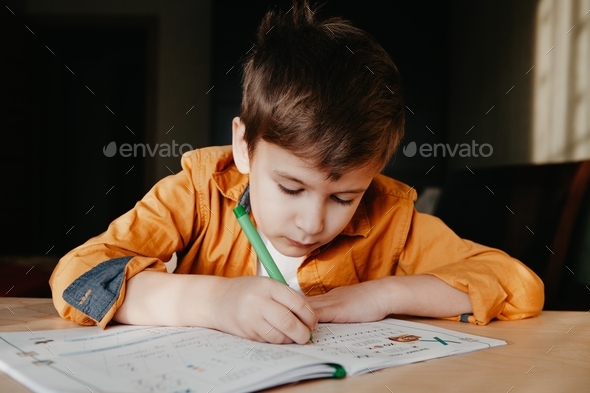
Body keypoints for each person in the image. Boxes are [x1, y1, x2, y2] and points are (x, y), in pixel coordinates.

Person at [49, 0, 544, 345]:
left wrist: (381, 295)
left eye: (343, 197)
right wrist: (214, 303)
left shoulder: (391, 215)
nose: (312, 222)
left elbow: (517, 284)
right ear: (244, 146)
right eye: (290, 187)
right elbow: (76, 277)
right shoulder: (199, 190)